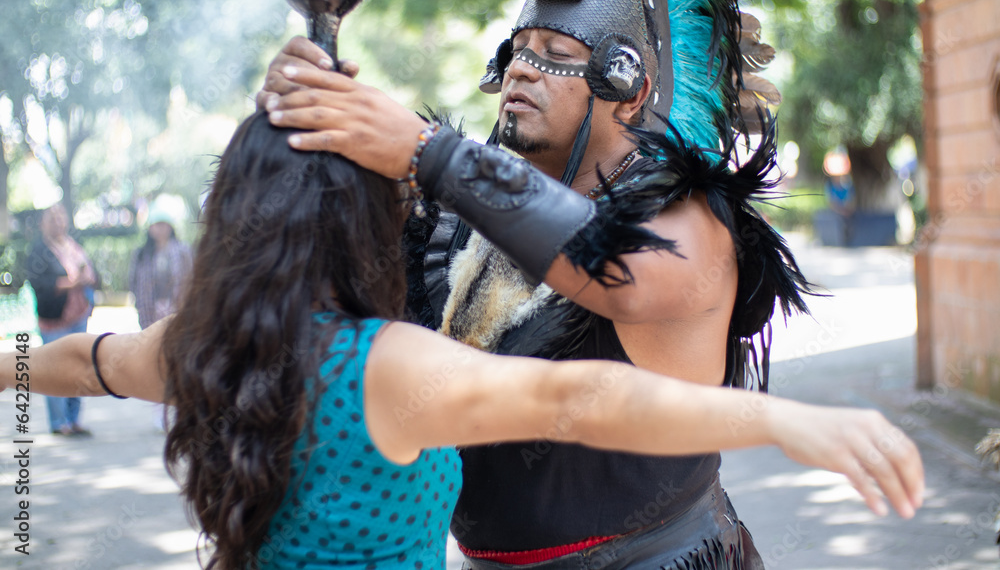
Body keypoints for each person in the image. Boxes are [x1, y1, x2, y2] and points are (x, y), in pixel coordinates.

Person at [1, 111, 923, 570]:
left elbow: (87, 358)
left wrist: (6, 364)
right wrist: (781, 419)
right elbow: (579, 399)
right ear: (363, 222)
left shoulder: (195, 348)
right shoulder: (383, 367)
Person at [254, 0, 841, 567]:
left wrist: (426, 150)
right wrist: (301, 109)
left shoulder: (692, 222)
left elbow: (620, 269)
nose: (523, 70)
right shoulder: (453, 210)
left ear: (627, 83)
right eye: (518, 53)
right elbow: (315, 264)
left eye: (557, 56)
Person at [25, 202, 97, 437]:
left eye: (60, 216)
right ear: (42, 223)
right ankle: (59, 422)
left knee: (79, 368)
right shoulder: (39, 251)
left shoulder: (74, 246)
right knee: (55, 369)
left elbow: (90, 274)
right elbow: (39, 283)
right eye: (51, 217)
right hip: (54, 321)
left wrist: (85, 280)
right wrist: (69, 284)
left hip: (79, 317)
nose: (56, 220)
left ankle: (74, 419)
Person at [129, 199, 192, 330]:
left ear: (170, 227)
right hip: (149, 311)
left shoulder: (183, 251)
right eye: (156, 225)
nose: (160, 229)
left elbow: (191, 278)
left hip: (177, 310)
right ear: (150, 228)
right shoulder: (141, 254)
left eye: (163, 225)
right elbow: (133, 281)